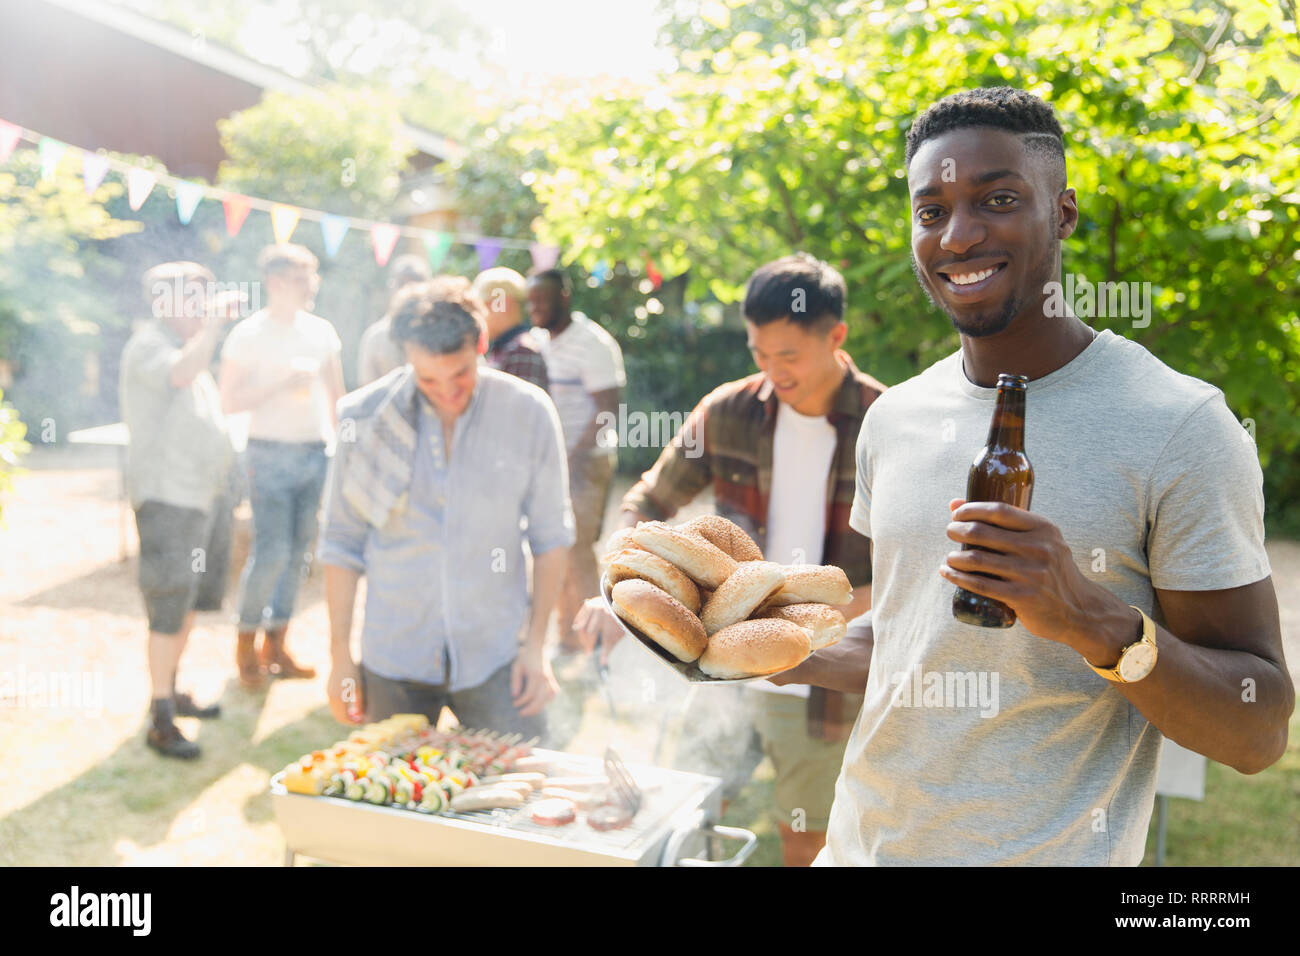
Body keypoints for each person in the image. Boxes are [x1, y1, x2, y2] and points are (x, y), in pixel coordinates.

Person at [769, 87, 1292, 865]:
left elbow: (1257, 728)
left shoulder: (1179, 426)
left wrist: (1090, 618)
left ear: (1065, 212)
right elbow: (914, 639)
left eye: (998, 199)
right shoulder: (897, 419)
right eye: (931, 210)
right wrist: (762, 649)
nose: (959, 234)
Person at [577, 253, 881, 866]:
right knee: (688, 819)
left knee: (809, 841)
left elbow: (915, 566)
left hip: (827, 681)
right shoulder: (727, 411)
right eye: (759, 353)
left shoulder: (886, 422)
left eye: (789, 355)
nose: (772, 370)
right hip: (718, 668)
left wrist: (805, 626)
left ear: (836, 336)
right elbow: (648, 500)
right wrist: (617, 585)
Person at [319, 277, 573, 736]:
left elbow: (551, 539)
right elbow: (341, 542)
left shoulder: (529, 413)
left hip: (497, 656)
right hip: (395, 654)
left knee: (526, 793)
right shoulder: (363, 418)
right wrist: (339, 656)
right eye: (428, 379)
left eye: (460, 374)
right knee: (391, 802)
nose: (448, 392)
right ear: (406, 358)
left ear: (480, 343)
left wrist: (536, 648)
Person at [120, 262, 236, 758]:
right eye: (195, 299)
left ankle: (171, 690)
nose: (203, 308)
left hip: (202, 497)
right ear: (165, 302)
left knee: (188, 602)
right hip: (170, 498)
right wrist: (213, 327)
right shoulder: (148, 346)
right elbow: (182, 373)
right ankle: (160, 718)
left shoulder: (191, 349)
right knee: (169, 605)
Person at [219, 243, 345, 687]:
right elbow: (228, 400)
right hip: (267, 452)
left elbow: (338, 399)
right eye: (300, 277)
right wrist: (278, 384)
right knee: (270, 552)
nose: (310, 285)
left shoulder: (322, 332)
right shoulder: (249, 334)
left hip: (315, 452)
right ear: (275, 283)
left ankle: (278, 645)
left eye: (312, 277)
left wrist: (343, 450)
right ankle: (245, 646)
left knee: (298, 556)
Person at [526, 269, 625, 654]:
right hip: (550, 464)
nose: (534, 308)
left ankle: (595, 640)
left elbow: (608, 411)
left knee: (578, 551)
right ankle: (568, 638)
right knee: (555, 547)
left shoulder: (593, 343)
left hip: (587, 463)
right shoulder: (536, 342)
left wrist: (570, 459)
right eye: (530, 301)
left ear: (564, 297)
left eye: (542, 301)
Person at [356, 254, 432, 386]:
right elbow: (366, 391)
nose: (409, 289)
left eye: (416, 282)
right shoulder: (375, 337)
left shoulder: (442, 332)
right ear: (391, 286)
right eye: (402, 283)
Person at [471, 267, 549, 392]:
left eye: (482, 306)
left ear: (501, 303)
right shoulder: (507, 349)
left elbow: (520, 409)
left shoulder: (521, 351)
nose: (478, 316)